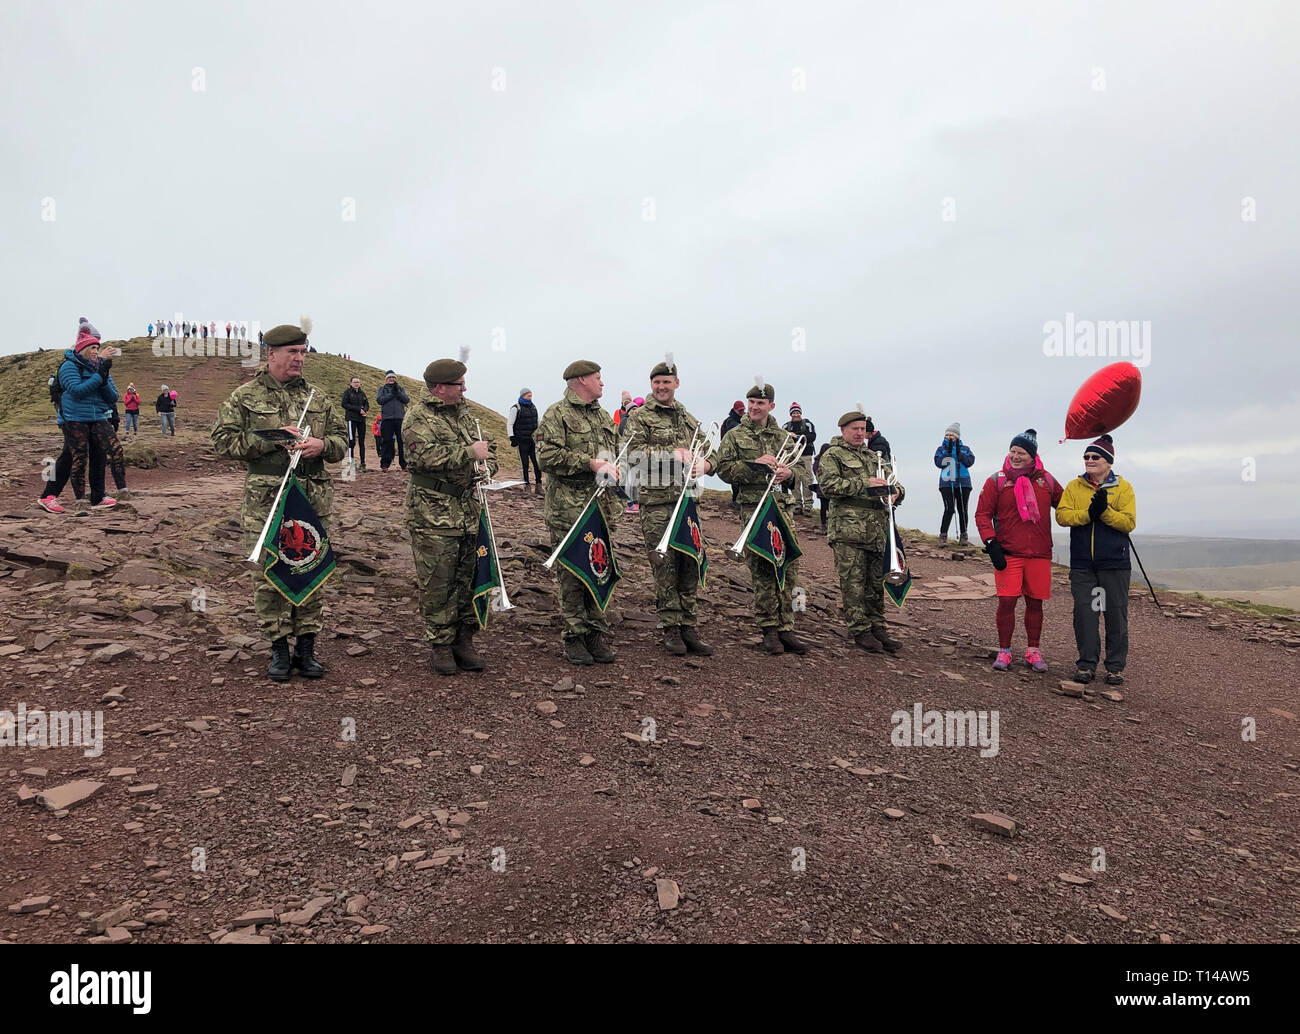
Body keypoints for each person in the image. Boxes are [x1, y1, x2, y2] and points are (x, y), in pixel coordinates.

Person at [210, 322, 346, 681]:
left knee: (310, 564)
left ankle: (306, 646)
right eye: (292, 353)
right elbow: (222, 442)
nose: (299, 359)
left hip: (312, 494)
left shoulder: (317, 397)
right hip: (266, 498)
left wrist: (323, 446)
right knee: (268, 572)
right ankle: (278, 649)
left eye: (302, 352)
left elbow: (340, 441)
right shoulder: (244, 396)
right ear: (271, 354)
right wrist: (270, 440)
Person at [403, 358, 498, 675]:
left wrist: (487, 466)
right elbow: (422, 456)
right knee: (438, 581)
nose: (465, 388)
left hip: (468, 510)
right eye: (459, 384)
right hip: (432, 512)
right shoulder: (418, 417)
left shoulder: (466, 415)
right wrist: (471, 454)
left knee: (467, 577)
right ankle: (441, 645)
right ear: (440, 388)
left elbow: (488, 449)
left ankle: (464, 639)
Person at [620, 359, 714, 656]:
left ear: (676, 384)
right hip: (657, 502)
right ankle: (670, 627)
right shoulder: (640, 417)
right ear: (651, 385)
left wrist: (706, 464)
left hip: (686, 501)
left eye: (666, 382)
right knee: (664, 566)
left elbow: (711, 451)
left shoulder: (687, 417)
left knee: (688, 563)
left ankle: (688, 624)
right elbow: (631, 454)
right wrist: (670, 453)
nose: (661, 387)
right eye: (656, 382)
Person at [537, 360, 622, 666]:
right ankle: (574, 635)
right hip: (568, 509)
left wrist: (615, 468)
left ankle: (595, 633)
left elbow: (614, 451)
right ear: (582, 380)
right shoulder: (556, 414)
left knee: (598, 568)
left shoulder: (601, 415)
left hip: (601, 507)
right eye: (598, 378)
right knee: (573, 573)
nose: (602, 383)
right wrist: (589, 463)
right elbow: (546, 456)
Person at [713, 383, 808, 656]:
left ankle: (787, 627)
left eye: (760, 403)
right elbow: (724, 470)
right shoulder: (734, 435)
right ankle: (768, 628)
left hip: (782, 508)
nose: (755, 406)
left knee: (789, 566)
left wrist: (789, 474)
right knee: (763, 567)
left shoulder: (784, 437)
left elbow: (803, 468)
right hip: (754, 507)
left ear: (771, 407)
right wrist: (754, 465)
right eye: (751, 401)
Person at [974, 429, 1062, 673]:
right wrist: (991, 543)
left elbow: (1065, 506)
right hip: (1009, 553)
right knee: (1007, 602)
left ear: (1032, 456)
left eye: (1021, 452)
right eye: (1012, 451)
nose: (1015, 456)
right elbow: (982, 514)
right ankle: (1004, 651)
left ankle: (1033, 651)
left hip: (1039, 554)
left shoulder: (1047, 481)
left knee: (1035, 604)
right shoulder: (997, 480)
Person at [819, 410, 906, 653]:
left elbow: (895, 482)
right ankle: (860, 630)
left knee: (875, 583)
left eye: (862, 429)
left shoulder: (873, 457)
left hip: (876, 530)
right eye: (855, 429)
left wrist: (897, 492)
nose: (860, 433)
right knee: (853, 583)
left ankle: (877, 626)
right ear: (843, 430)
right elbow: (828, 486)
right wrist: (864, 484)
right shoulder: (832, 456)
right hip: (848, 531)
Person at [1056, 434, 1137, 686]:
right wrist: (1089, 514)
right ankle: (1086, 664)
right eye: (1086, 457)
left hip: (1114, 563)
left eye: (1095, 457)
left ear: (1108, 462)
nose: (1089, 460)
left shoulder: (1123, 488)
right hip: (1083, 563)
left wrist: (1105, 512)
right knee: (1085, 614)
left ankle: (1115, 667)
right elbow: (1062, 516)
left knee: (1115, 614)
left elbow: (1129, 523)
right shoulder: (1073, 486)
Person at [57, 319, 118, 510]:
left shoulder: (98, 367)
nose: (96, 351)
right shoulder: (69, 366)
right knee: (70, 458)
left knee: (98, 457)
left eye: (97, 346)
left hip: (96, 418)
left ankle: (97, 496)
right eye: (93, 346)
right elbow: (77, 390)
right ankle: (50, 494)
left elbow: (113, 396)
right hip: (74, 419)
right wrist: (99, 376)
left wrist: (103, 374)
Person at [934, 421, 976, 546]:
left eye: (951, 435)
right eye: (946, 435)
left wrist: (960, 455)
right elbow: (938, 462)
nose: (948, 437)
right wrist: (947, 452)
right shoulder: (940, 449)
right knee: (949, 508)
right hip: (947, 482)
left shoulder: (965, 449)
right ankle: (943, 535)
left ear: (957, 436)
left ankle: (964, 536)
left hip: (963, 482)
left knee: (962, 509)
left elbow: (970, 461)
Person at [781, 403, 817, 514]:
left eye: (797, 412)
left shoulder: (807, 424)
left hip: (806, 455)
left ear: (800, 413)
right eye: (793, 412)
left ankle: (808, 506)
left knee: (807, 479)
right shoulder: (786, 426)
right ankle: (797, 505)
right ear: (791, 414)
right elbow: (782, 438)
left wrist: (796, 437)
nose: (796, 414)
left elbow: (812, 436)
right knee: (794, 480)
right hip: (792, 456)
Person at [506, 388, 542, 493]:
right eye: (528, 396)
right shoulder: (516, 408)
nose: (530, 397)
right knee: (524, 464)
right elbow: (510, 424)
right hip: (521, 441)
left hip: (533, 442)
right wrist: (512, 437)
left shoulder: (533, 407)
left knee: (537, 464)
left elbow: (537, 422)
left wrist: (540, 437)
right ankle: (526, 485)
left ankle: (538, 485)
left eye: (531, 395)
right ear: (522, 396)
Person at [375, 371, 409, 471]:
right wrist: (391, 394)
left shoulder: (400, 389)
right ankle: (385, 464)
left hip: (400, 418)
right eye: (389, 377)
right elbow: (380, 400)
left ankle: (404, 464)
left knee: (402, 442)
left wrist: (397, 393)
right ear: (386, 379)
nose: (391, 379)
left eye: (393, 377)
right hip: (387, 419)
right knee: (387, 441)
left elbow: (406, 400)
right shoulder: (382, 389)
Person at [341, 375, 369, 471]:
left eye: (358, 382)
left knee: (362, 441)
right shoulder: (347, 393)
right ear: (351, 383)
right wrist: (358, 409)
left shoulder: (362, 393)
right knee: (351, 441)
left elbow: (367, 404)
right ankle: (351, 463)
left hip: (361, 420)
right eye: (355, 382)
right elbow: (344, 404)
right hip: (351, 419)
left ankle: (363, 463)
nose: (357, 384)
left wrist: (364, 410)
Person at [720, 400, 744, 507]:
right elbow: (735, 431)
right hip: (733, 452)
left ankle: (739, 499)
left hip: (742, 452)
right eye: (740, 410)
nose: (742, 412)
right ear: (735, 409)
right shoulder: (730, 422)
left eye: (743, 410)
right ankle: (736, 499)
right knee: (735, 476)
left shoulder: (743, 420)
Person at [811, 441, 831, 535]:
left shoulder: (817, 461)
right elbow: (818, 473)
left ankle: (826, 525)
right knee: (825, 507)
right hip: (824, 488)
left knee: (825, 507)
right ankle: (825, 525)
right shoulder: (820, 461)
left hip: (823, 488)